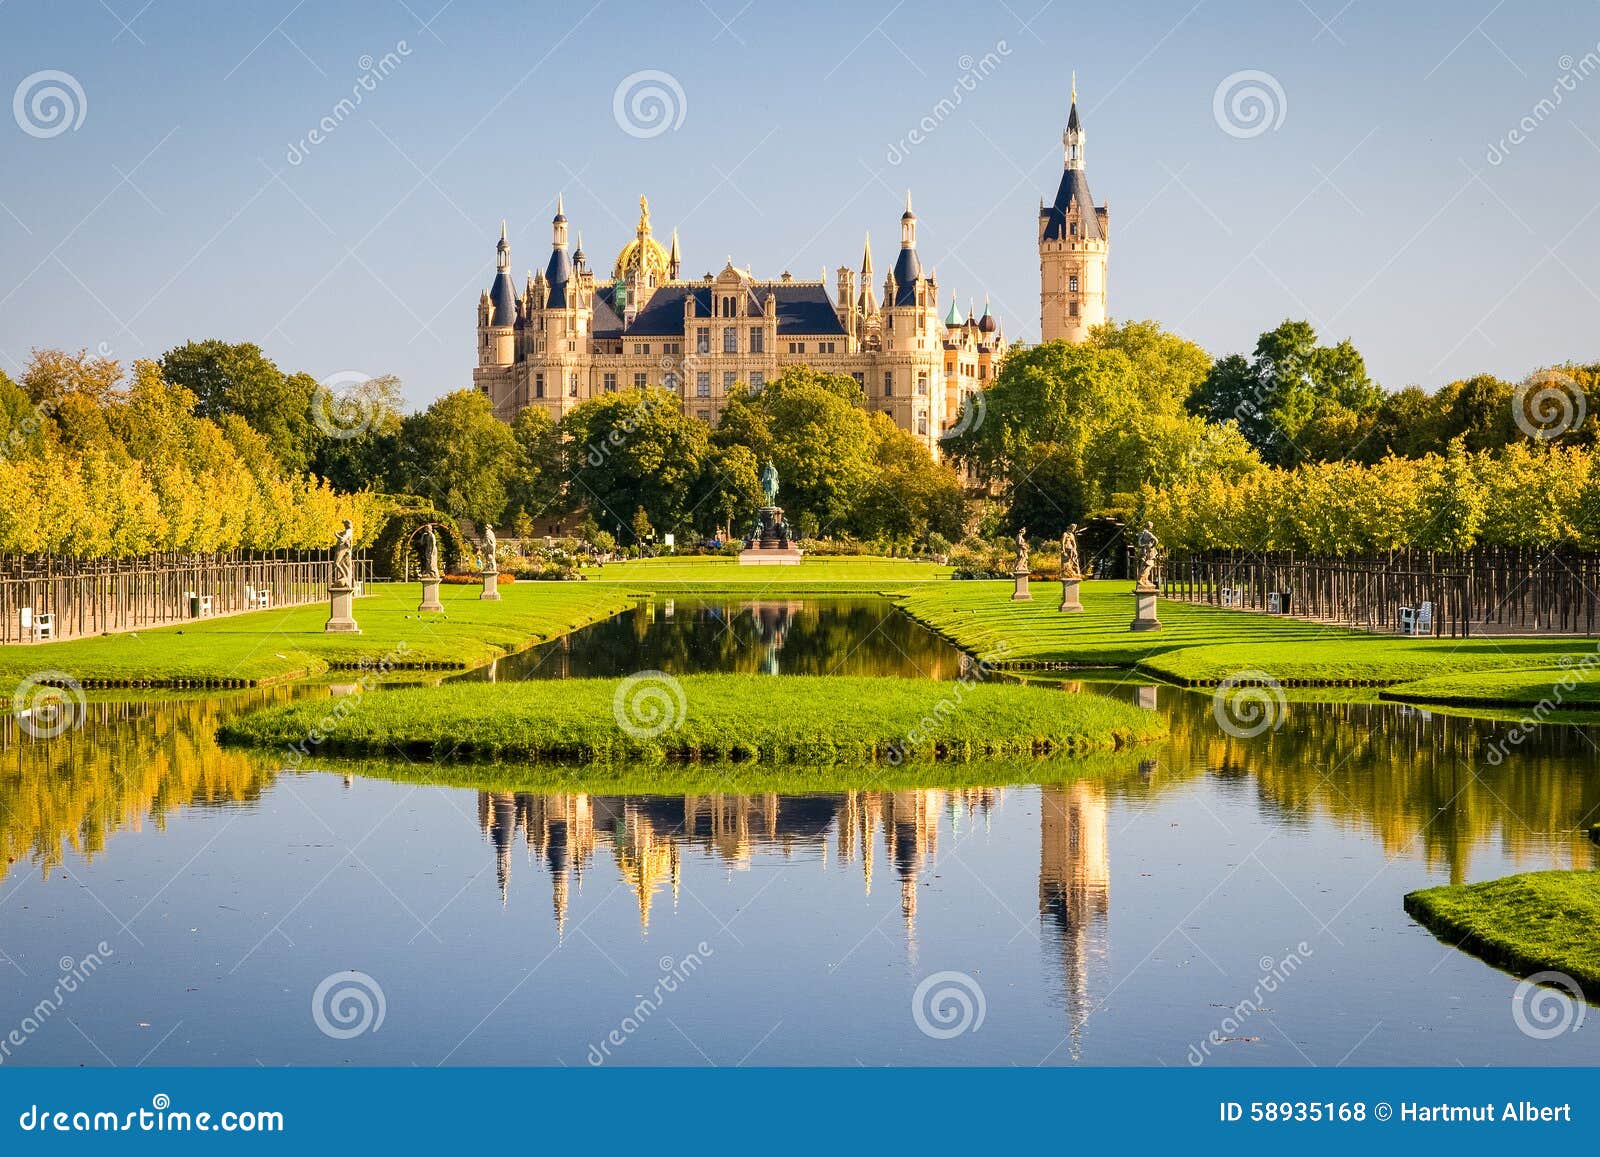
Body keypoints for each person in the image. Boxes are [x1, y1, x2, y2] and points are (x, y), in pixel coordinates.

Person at [332, 519, 354, 588]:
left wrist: (336, 535)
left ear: (347, 525)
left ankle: (344, 575)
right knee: (342, 563)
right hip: (344, 548)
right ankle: (345, 576)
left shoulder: (348, 531)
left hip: (342, 548)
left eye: (344, 524)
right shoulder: (347, 531)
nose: (344, 525)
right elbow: (342, 533)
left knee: (336, 563)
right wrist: (339, 532)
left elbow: (342, 539)